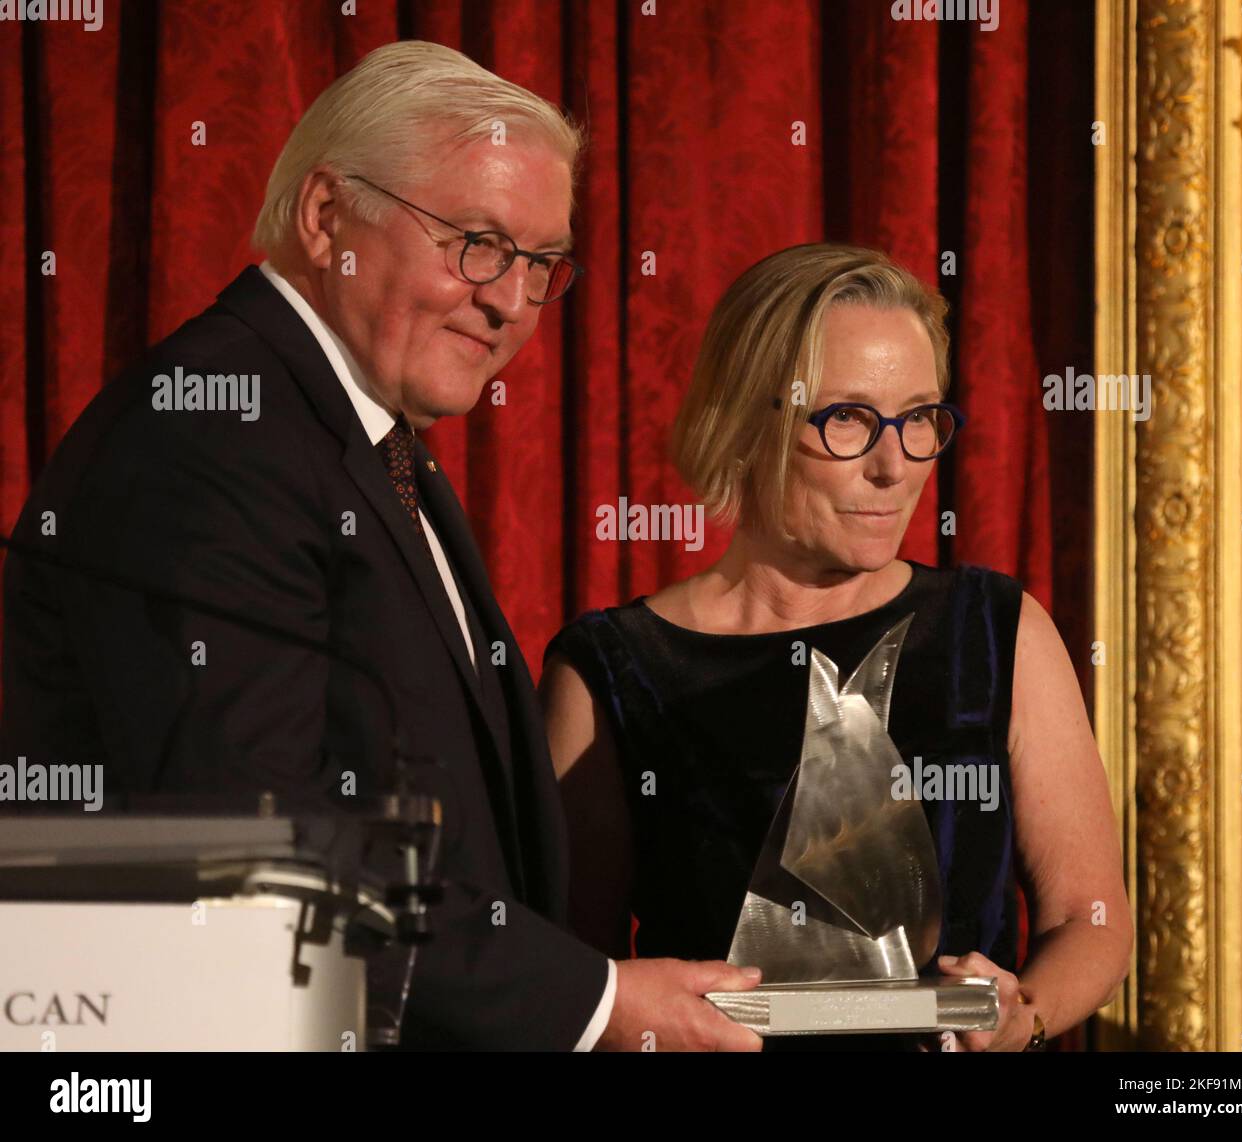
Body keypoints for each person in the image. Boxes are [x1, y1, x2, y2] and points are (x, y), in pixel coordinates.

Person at [0, 41, 762, 1052]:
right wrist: (594, 1003)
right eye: (479, 243)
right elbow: (253, 854)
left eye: (541, 266)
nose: (511, 304)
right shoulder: (214, 434)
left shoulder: (358, 439)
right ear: (327, 217)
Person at [541, 243, 1134, 1051]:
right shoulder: (611, 669)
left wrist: (1021, 1016)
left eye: (921, 418)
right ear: (748, 422)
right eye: (848, 418)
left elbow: (1090, 922)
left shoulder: (996, 631)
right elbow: (574, 979)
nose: (896, 466)